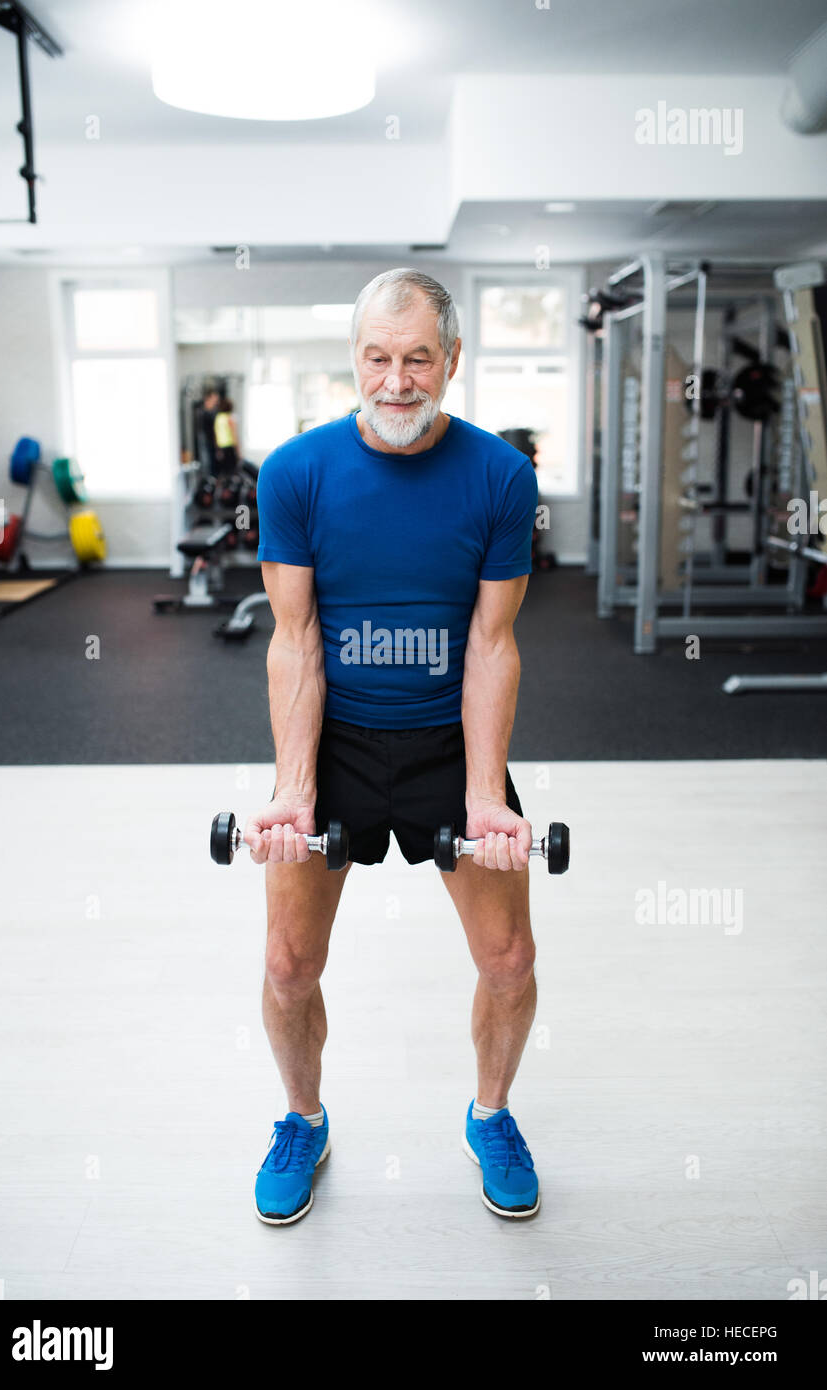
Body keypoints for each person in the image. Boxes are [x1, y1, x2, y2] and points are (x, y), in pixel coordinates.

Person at [247, 268, 540, 1225]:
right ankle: (302, 1120)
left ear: (451, 360)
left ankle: (490, 1114)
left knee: (507, 959)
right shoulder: (295, 472)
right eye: (377, 357)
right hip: (333, 744)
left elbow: (492, 645)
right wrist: (295, 787)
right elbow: (294, 642)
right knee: (289, 964)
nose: (396, 379)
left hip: (445, 747)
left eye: (418, 358)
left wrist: (486, 794)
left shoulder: (499, 474)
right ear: (355, 360)